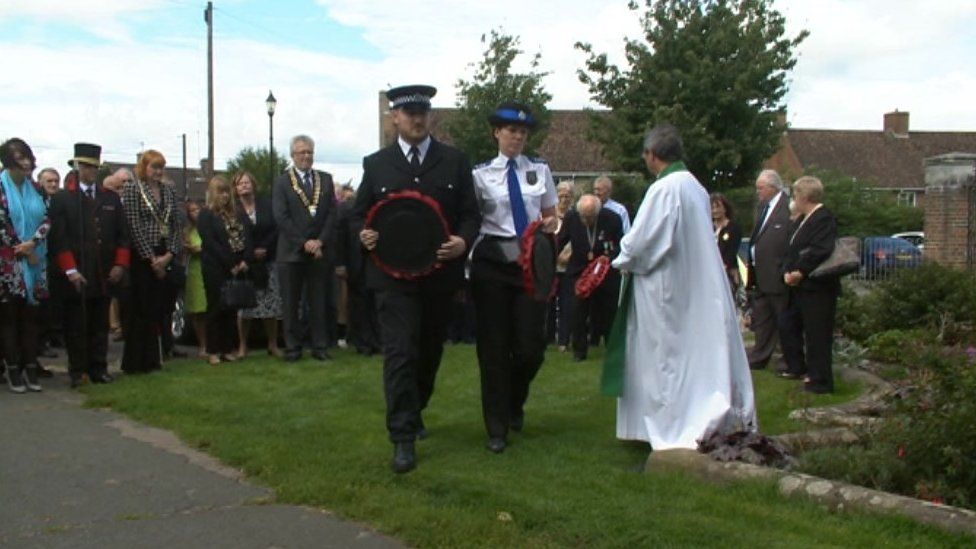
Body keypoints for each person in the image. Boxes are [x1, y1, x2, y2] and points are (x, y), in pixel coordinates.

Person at [355, 84, 481, 473]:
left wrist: (463, 240)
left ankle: (416, 406)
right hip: (391, 279)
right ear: (394, 117)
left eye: (422, 112)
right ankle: (402, 437)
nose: (416, 118)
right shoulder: (376, 164)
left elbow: (470, 213)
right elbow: (358, 213)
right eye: (408, 113)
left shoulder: (454, 161)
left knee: (428, 353)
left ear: (431, 117)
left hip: (439, 276)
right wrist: (364, 233)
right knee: (399, 352)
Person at [607, 124, 755, 449]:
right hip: (691, 282)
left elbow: (645, 240)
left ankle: (671, 424)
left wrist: (622, 257)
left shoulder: (665, 189)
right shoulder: (696, 188)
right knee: (689, 351)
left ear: (651, 154)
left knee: (665, 359)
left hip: (665, 287)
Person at [470, 102, 558, 453]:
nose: (517, 137)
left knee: (530, 347)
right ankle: (496, 427)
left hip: (530, 262)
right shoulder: (479, 175)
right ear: (497, 133)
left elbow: (550, 212)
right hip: (492, 261)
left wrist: (551, 225)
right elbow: (470, 219)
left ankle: (513, 401)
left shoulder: (539, 170)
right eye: (511, 131)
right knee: (493, 347)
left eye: (522, 132)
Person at [48, 142, 130, 387]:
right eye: (85, 166)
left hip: (104, 271)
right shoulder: (64, 199)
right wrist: (70, 270)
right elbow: (58, 239)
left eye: (94, 167)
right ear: (76, 166)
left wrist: (120, 264)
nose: (90, 171)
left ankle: (99, 368)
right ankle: (78, 371)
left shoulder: (110, 199)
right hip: (77, 272)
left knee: (99, 325)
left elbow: (122, 236)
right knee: (76, 326)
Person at [272, 135, 336, 362]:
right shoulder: (282, 182)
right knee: (291, 303)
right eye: (301, 152)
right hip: (291, 253)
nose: (306, 156)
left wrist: (320, 241)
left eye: (309, 152)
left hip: (319, 251)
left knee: (318, 301)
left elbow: (331, 214)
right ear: (292, 155)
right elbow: (281, 217)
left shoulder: (326, 180)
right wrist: (304, 242)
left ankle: (319, 346)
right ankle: (293, 347)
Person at [121, 150, 182, 374]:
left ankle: (156, 358)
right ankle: (137, 362)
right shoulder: (132, 188)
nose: (157, 172)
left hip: (164, 252)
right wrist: (151, 259)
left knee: (159, 308)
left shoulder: (169, 190)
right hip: (143, 255)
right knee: (141, 309)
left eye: (160, 167)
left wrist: (169, 255)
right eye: (154, 167)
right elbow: (133, 224)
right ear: (144, 168)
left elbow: (176, 224)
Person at [777, 176, 840, 394]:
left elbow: (820, 249)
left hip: (818, 287)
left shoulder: (823, 218)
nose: (793, 199)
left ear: (805, 196)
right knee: (789, 324)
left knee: (817, 334)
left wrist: (800, 271)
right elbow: (791, 247)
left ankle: (820, 380)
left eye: (795, 195)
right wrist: (787, 270)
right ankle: (803, 369)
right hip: (800, 288)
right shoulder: (802, 220)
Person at [0, 138, 49, 393]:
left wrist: (34, 243)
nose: (26, 163)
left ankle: (31, 368)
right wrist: (21, 247)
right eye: (20, 159)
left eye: (27, 157)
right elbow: (2, 223)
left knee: (31, 318)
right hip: (8, 263)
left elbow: (47, 218)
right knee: (9, 318)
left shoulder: (36, 188)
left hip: (35, 259)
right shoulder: (1, 186)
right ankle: (13, 370)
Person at [558, 193, 623, 361]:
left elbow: (621, 245)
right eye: (584, 217)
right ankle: (579, 352)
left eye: (590, 217)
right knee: (577, 313)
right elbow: (559, 241)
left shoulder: (613, 219)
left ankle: (613, 349)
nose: (586, 221)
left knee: (609, 313)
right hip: (579, 271)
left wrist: (608, 259)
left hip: (604, 272)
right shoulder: (572, 218)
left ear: (598, 212)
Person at [198, 176, 253, 365]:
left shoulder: (237, 213)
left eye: (226, 192)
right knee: (215, 308)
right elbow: (211, 243)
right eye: (220, 192)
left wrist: (245, 260)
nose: (224, 196)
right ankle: (213, 350)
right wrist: (230, 263)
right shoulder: (206, 214)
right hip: (215, 267)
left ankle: (227, 348)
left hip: (237, 266)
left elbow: (247, 236)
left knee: (231, 308)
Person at [746, 169, 791, 370]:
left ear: (773, 187)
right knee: (762, 319)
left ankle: (789, 359)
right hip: (760, 274)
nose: (758, 192)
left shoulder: (787, 207)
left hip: (777, 274)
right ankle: (759, 356)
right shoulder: (762, 207)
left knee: (783, 319)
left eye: (761, 188)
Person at [234, 171, 282, 358]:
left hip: (267, 259)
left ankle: (273, 344)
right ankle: (243, 346)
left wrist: (264, 249)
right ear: (236, 188)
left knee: (270, 305)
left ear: (253, 185)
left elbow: (276, 228)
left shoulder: (266, 205)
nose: (244, 186)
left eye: (247, 182)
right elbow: (234, 236)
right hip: (245, 263)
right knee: (244, 308)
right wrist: (249, 253)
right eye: (240, 184)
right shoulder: (234, 209)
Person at [335, 187, 381, 356]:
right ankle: (362, 343)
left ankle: (378, 341)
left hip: (377, 263)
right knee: (358, 304)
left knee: (376, 303)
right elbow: (339, 238)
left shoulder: (380, 208)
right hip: (355, 263)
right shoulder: (346, 208)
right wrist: (340, 264)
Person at [103, 167, 132, 341]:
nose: (126, 186)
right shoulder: (109, 203)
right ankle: (116, 326)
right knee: (114, 295)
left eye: (129, 182)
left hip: (133, 255)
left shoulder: (136, 201)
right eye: (122, 183)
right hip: (112, 257)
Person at [548, 180, 575, 352]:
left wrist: (568, 255)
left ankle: (563, 340)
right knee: (548, 303)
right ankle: (548, 337)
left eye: (567, 196)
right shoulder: (550, 216)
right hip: (551, 266)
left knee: (566, 304)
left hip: (568, 266)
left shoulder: (574, 217)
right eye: (561, 196)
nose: (564, 200)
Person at [182, 200, 207, 357]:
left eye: (198, 209)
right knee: (198, 310)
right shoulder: (187, 231)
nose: (196, 212)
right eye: (192, 210)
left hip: (208, 268)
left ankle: (214, 343)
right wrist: (192, 249)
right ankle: (202, 345)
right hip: (194, 270)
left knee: (210, 307)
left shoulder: (209, 228)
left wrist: (199, 249)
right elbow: (186, 249)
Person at [710, 192, 743, 299]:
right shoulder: (707, 228)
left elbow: (732, 251)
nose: (715, 210)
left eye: (718, 207)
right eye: (712, 207)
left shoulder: (733, 228)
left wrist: (723, 267)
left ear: (725, 208)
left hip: (728, 274)